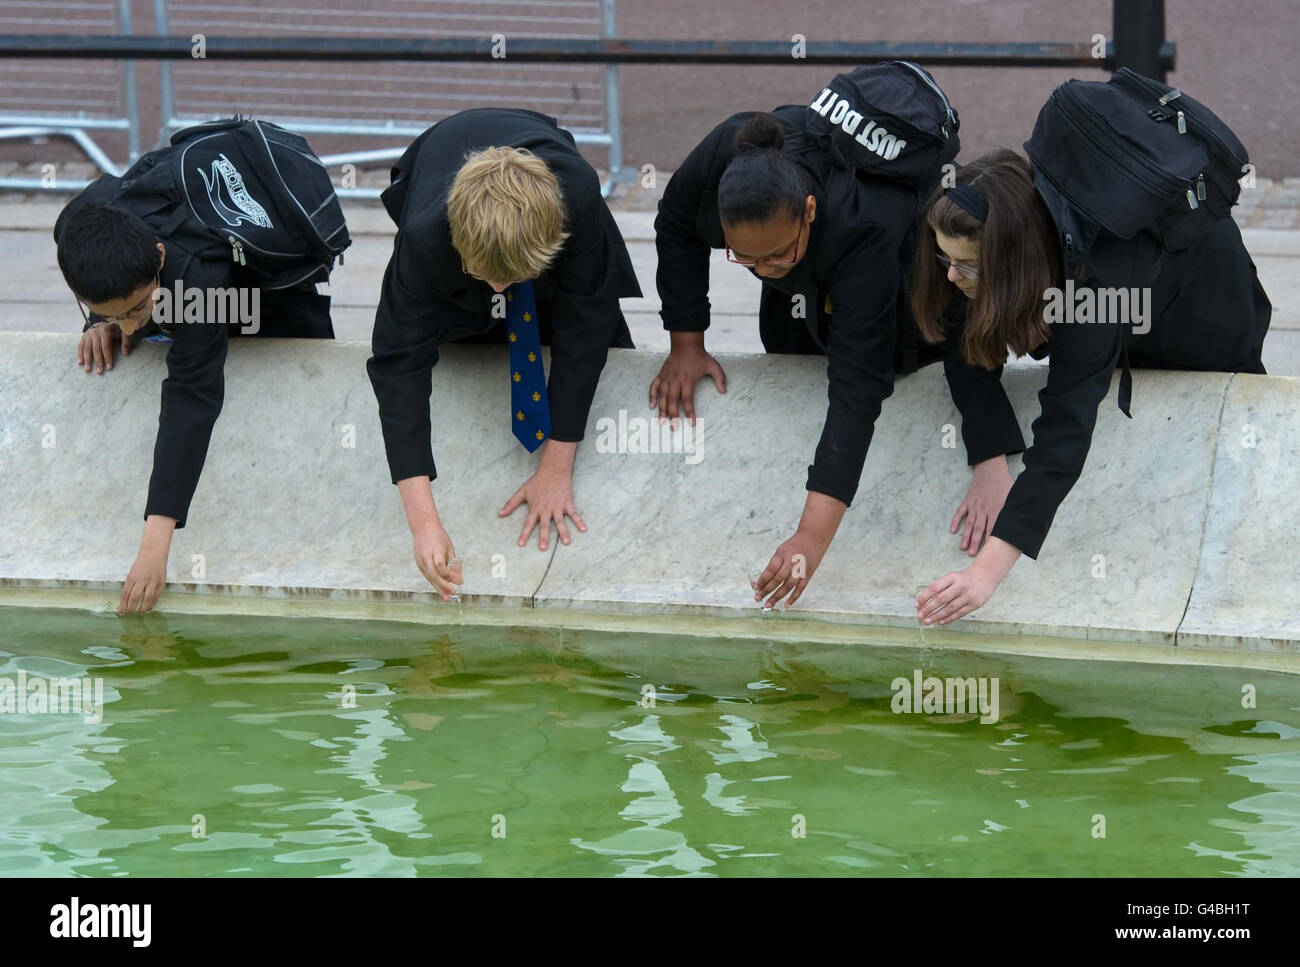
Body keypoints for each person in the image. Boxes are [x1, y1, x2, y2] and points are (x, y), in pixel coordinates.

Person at [911, 149, 1271, 625]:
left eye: (968, 266)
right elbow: (963, 339)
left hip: (1205, 310)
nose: (952, 275)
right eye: (945, 259)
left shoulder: (1091, 289)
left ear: (1016, 265)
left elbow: (1063, 434)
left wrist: (984, 574)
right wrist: (989, 455)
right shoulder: (997, 234)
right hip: (1113, 293)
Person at [651, 106, 930, 610]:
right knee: (784, 335)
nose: (763, 270)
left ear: (807, 210)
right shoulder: (727, 156)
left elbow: (857, 390)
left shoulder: (864, 227)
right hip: (809, 259)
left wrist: (810, 538)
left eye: (775, 255)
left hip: (904, 273)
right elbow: (674, 223)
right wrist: (686, 343)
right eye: (744, 258)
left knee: (889, 357)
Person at [366, 107, 642, 601]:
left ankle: (516, 277)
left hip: (552, 229)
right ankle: (485, 283)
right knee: (470, 322)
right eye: (487, 277)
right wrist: (423, 522)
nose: (499, 288)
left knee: (594, 334)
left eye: (511, 281)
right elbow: (397, 366)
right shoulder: (423, 238)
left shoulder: (577, 195)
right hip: (438, 191)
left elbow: (587, 326)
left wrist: (558, 467)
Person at [55, 192, 336, 614]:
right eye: (116, 315)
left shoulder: (196, 285)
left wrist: (155, 545)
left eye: (135, 308)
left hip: (264, 297)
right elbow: (118, 298)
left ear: (160, 258)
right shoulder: (76, 225)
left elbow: (191, 400)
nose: (130, 326)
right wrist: (100, 320)